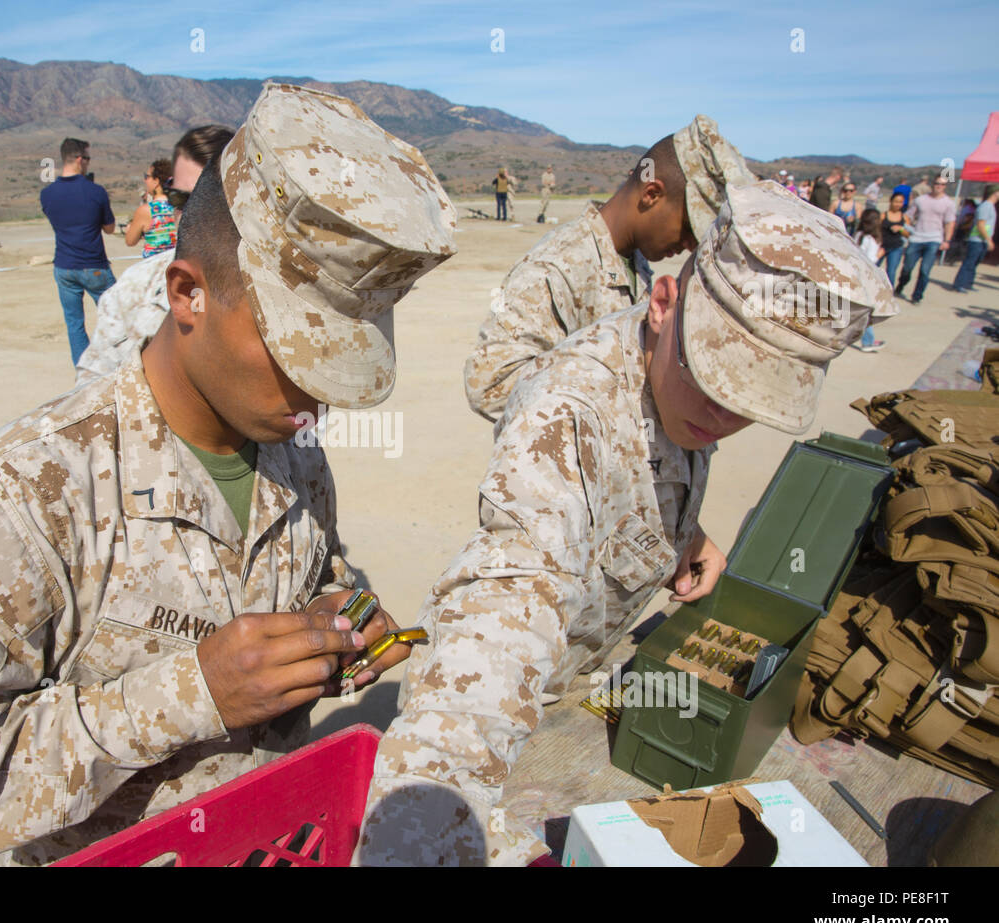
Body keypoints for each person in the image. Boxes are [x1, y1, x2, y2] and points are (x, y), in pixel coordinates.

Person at [0, 82, 457, 866]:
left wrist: (332, 620)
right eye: (295, 352)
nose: (320, 394)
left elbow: (314, 571)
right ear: (186, 294)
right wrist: (188, 693)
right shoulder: (14, 499)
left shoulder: (294, 445)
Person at [353, 181, 896, 866]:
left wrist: (680, 532)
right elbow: (502, 614)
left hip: (580, 673)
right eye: (711, 379)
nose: (721, 415)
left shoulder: (673, 376)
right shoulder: (565, 411)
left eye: (748, 402)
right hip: (514, 704)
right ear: (664, 303)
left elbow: (648, 470)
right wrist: (422, 817)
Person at [464, 115, 755, 422]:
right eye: (687, 228)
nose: (689, 245)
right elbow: (491, 387)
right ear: (651, 194)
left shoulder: (631, 258)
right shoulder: (558, 265)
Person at [75, 125, 235, 385]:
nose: (189, 214)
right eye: (179, 198)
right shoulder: (134, 289)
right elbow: (90, 389)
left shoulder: (281, 292)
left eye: (207, 200)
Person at [40, 137, 118, 366]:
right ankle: (119, 364)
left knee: (74, 323)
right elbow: (110, 229)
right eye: (88, 158)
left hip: (64, 266)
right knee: (115, 316)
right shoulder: (96, 191)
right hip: (94, 265)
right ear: (79, 159)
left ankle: (84, 370)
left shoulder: (47, 194)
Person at [896, 174, 956, 304]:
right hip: (917, 237)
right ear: (932, 184)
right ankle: (900, 286)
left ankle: (917, 296)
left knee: (925, 270)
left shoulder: (948, 203)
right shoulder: (921, 200)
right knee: (907, 268)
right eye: (937, 183)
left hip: (934, 239)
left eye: (942, 184)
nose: (939, 186)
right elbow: (909, 215)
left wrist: (947, 240)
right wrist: (903, 228)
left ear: (945, 187)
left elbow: (950, 223)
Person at [124, 158, 178, 257]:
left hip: (154, 269)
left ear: (156, 181)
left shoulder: (146, 210)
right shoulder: (180, 207)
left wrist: (129, 230)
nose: (145, 180)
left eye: (147, 176)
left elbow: (130, 241)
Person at [953, 184, 997, 293]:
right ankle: (959, 284)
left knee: (975, 262)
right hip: (977, 239)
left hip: (981, 240)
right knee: (969, 262)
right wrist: (988, 239)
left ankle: (968, 283)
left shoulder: (990, 206)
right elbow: (981, 224)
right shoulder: (986, 206)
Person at [854, 208, 886, 351]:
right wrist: (880, 254)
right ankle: (867, 341)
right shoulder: (871, 240)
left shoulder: (858, 235)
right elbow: (870, 260)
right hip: (866, 278)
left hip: (854, 275)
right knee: (866, 311)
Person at [880, 191, 910, 285]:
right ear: (891, 201)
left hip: (896, 247)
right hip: (882, 246)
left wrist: (900, 229)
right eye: (896, 201)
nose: (898, 204)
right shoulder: (883, 215)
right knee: (873, 267)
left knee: (891, 272)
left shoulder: (904, 217)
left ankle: (889, 293)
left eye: (900, 202)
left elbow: (908, 234)